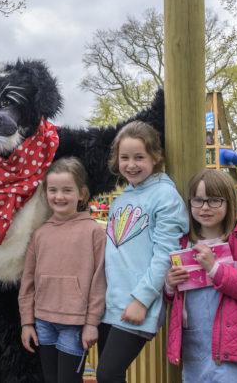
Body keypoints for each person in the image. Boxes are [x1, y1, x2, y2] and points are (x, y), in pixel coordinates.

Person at [95, 121, 189, 383]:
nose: (131, 165)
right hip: (110, 302)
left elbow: (166, 255)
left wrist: (142, 300)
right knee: (108, 375)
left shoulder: (165, 196)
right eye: (124, 158)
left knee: (108, 375)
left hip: (138, 302)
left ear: (156, 157)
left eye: (139, 157)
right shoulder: (123, 198)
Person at [165, 169, 237, 381]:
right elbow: (173, 301)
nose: (204, 207)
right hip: (194, 348)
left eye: (214, 201)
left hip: (234, 349)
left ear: (229, 202)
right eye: (198, 200)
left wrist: (215, 269)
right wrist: (169, 284)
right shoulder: (181, 243)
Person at [19, 157, 106, 383]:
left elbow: (100, 281)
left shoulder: (93, 232)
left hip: (75, 324)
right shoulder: (40, 234)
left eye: (67, 190)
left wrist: (92, 323)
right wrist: (27, 322)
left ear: (81, 193)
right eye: (53, 190)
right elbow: (28, 281)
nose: (59, 196)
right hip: (43, 321)